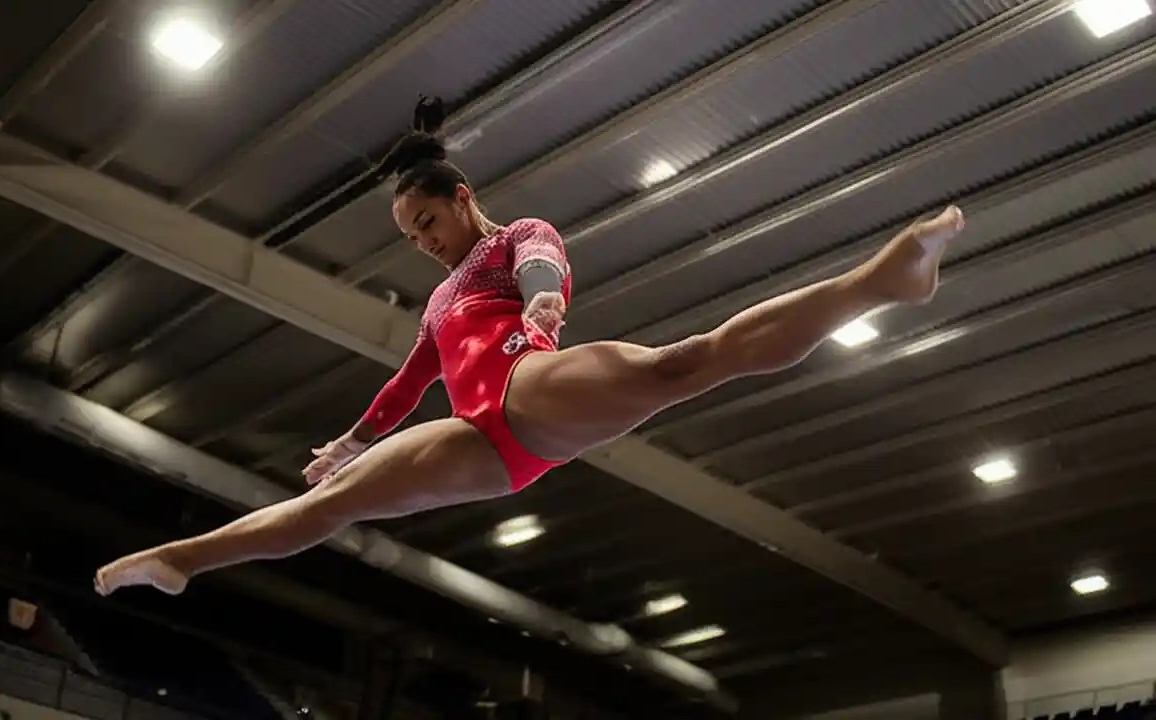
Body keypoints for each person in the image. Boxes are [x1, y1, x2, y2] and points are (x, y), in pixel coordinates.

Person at [93, 101, 966, 597]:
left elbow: (544, 260)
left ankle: (879, 284)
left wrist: (545, 294)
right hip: (484, 439)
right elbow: (406, 385)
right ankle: (183, 560)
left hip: (530, 381)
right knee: (339, 505)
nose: (425, 241)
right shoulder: (437, 299)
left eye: (428, 220)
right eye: (410, 233)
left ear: (461, 199)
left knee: (684, 364)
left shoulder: (512, 238)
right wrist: (354, 441)